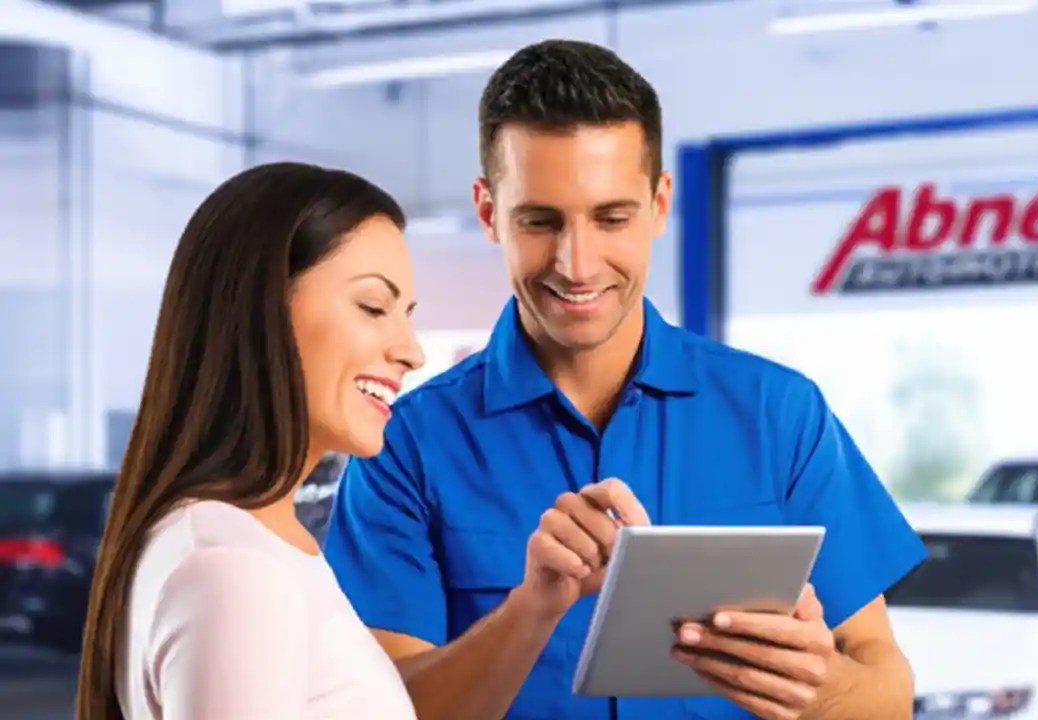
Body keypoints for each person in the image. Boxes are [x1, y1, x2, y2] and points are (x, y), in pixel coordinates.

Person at [323, 39, 926, 720]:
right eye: (540, 221)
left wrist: (814, 686)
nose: (577, 264)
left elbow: (887, 694)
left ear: (660, 203)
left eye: (611, 218)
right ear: (489, 212)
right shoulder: (407, 443)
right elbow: (389, 710)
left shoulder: (779, 414)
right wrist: (530, 610)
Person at [75, 162, 425, 720]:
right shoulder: (235, 570)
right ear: (265, 307)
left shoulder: (250, 549)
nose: (411, 351)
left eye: (406, 316)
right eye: (373, 308)